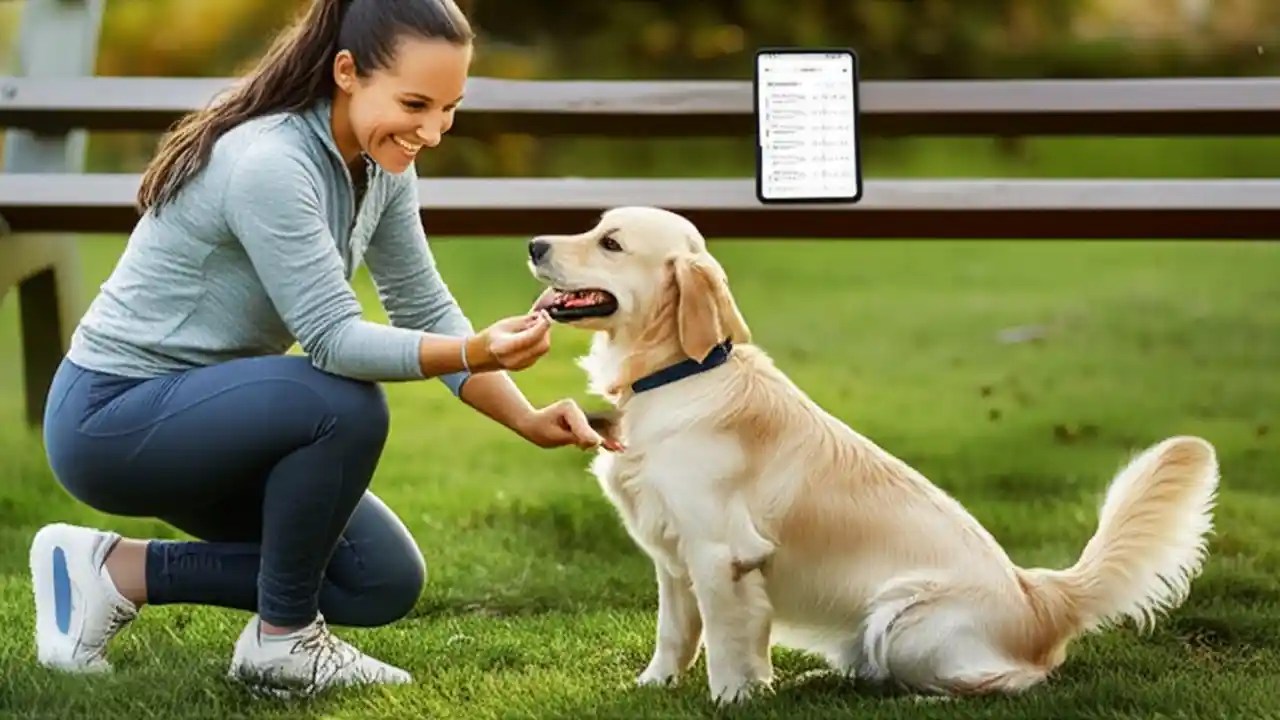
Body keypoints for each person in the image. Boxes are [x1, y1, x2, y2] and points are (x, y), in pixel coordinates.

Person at [29, 0, 615, 698]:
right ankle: (282, 645)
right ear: (347, 72)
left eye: (450, 108)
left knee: (377, 579)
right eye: (415, 103)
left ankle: (111, 571)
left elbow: (422, 304)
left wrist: (524, 416)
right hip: (112, 418)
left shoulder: (382, 162)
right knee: (341, 401)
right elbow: (335, 341)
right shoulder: (271, 163)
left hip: (218, 418)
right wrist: (473, 353)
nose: (432, 130)